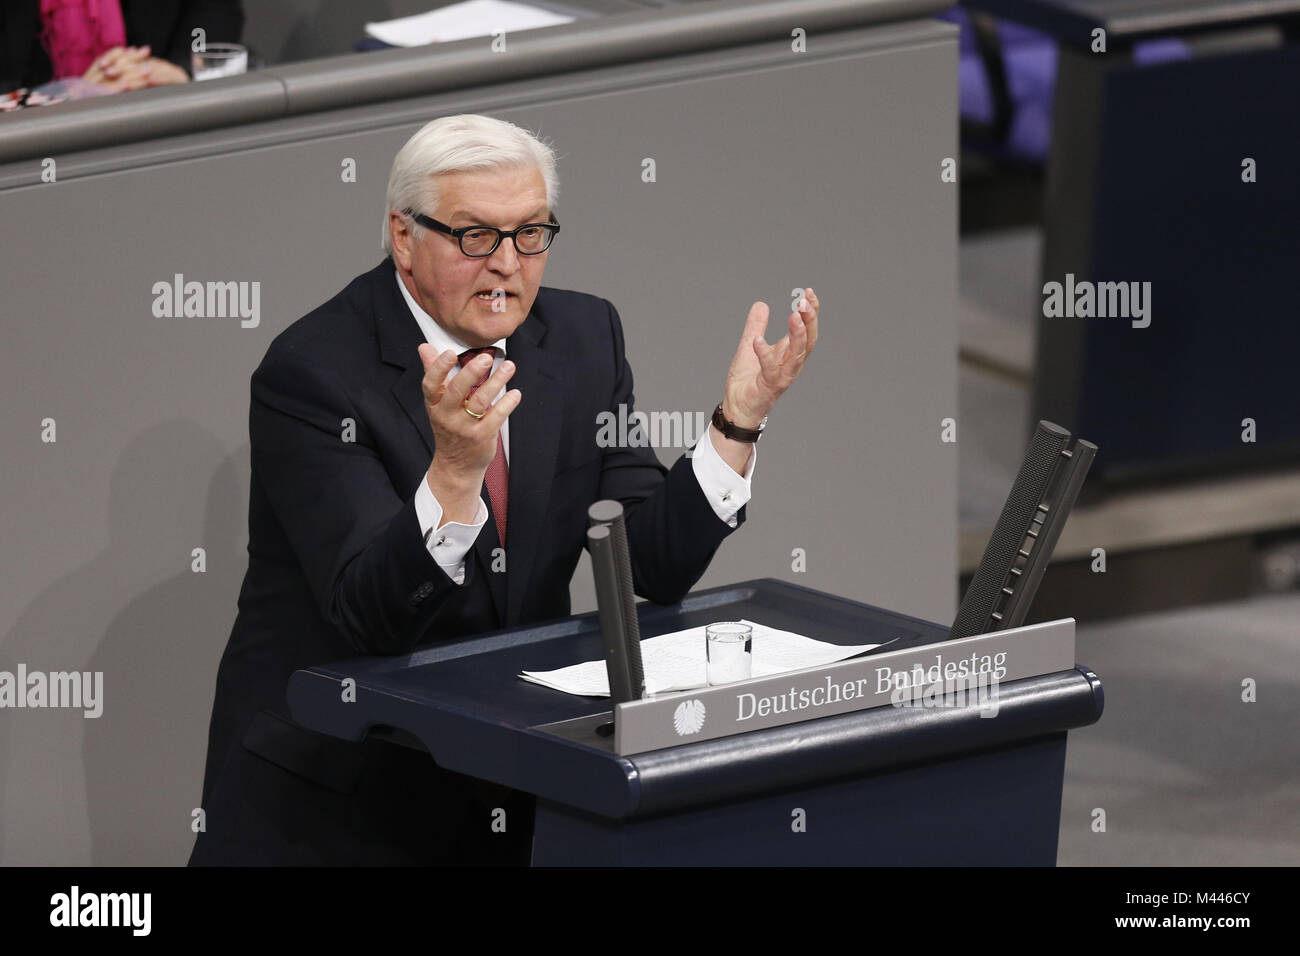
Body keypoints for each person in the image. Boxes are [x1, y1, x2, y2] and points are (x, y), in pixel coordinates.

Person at [189, 113, 819, 865]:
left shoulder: (581, 338)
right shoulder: (316, 373)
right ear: (402, 235)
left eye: (530, 234)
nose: (507, 265)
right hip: (339, 803)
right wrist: (455, 471)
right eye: (475, 236)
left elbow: (652, 562)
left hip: (503, 785)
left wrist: (736, 424)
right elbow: (373, 617)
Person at [0, 0, 244, 94]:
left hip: (153, 121)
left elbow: (215, 12)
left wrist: (180, 70)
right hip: (26, 154)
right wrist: (67, 95)